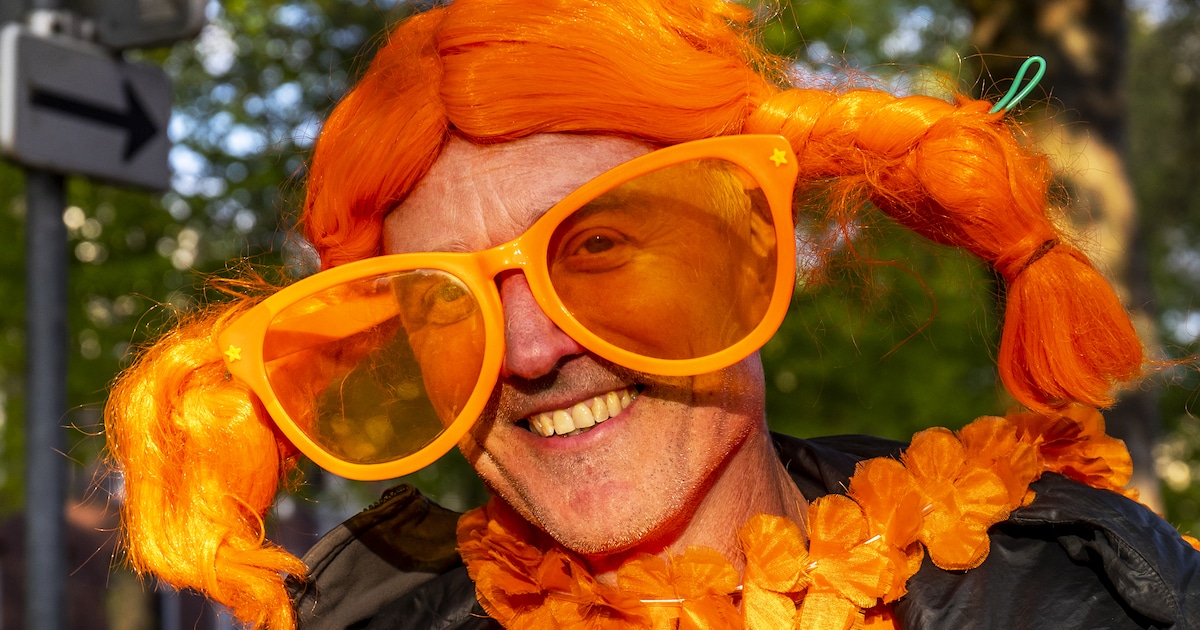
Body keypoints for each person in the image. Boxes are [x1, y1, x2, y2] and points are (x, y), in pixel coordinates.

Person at [103, 1, 1200, 628]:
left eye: (600, 247)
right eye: (451, 300)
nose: (529, 350)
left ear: (753, 243)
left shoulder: (1073, 601)